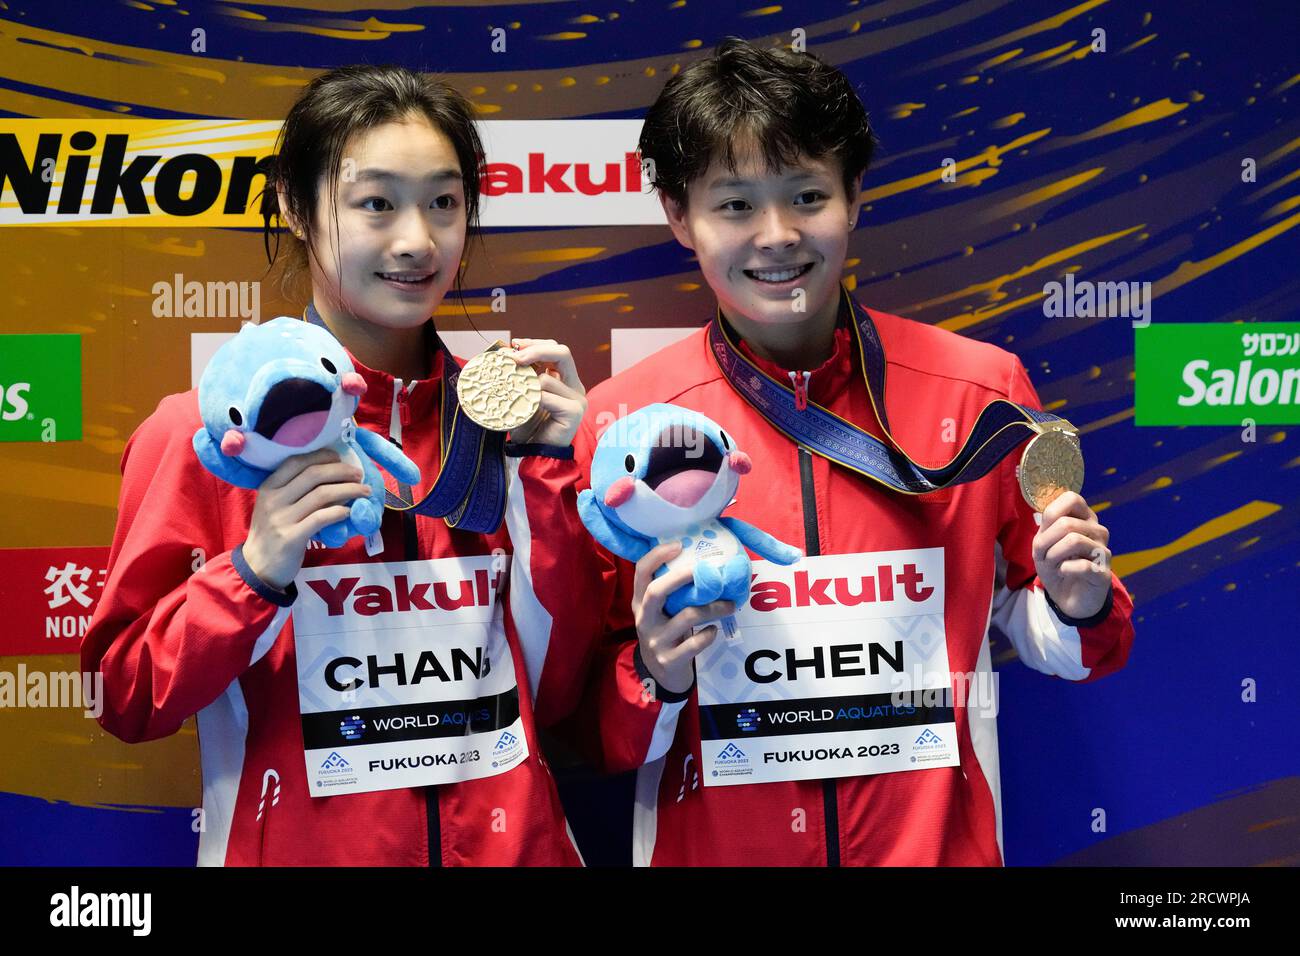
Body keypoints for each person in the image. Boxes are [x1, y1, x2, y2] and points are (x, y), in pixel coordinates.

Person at [563, 39, 1136, 866]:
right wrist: (655, 672)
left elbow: (1069, 645)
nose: (778, 235)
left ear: (855, 195)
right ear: (678, 216)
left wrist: (1078, 601)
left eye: (807, 195)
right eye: (733, 206)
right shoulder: (624, 424)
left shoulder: (980, 390)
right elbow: (603, 735)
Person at [82, 65, 594, 866]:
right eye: (377, 203)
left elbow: (562, 697)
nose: (418, 241)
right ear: (293, 203)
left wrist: (556, 474)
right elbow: (121, 695)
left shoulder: (511, 423)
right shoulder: (208, 436)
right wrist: (252, 574)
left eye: (444, 203)